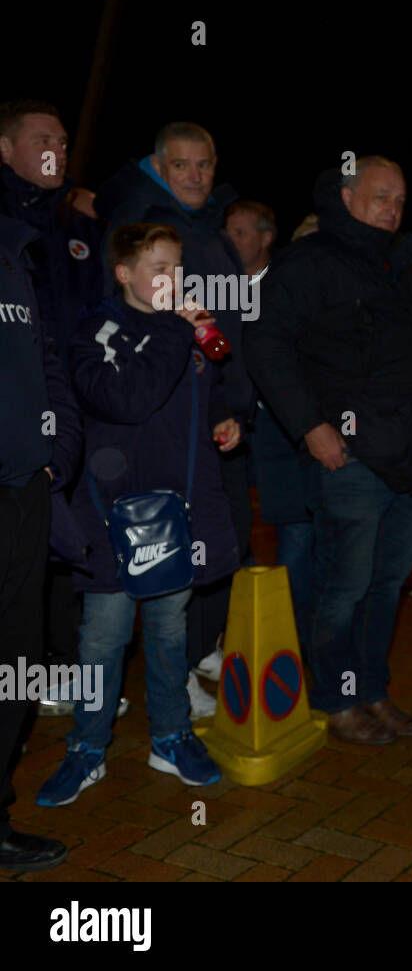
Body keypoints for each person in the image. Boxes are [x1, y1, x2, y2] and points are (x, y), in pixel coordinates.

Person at [244, 158, 412, 745]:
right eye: (379, 196)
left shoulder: (406, 270)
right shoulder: (309, 263)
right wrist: (310, 426)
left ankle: (372, 691)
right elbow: (264, 344)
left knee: (387, 586)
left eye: (399, 198)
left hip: (409, 462)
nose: (392, 207)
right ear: (344, 196)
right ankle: (337, 697)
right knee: (343, 587)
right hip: (351, 459)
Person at [36, 223, 238, 806]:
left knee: (171, 630)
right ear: (124, 273)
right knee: (103, 637)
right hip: (112, 519)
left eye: (177, 268)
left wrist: (225, 419)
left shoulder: (186, 333)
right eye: (157, 269)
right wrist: (178, 330)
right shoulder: (97, 332)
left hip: (179, 515)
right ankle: (87, 748)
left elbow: (203, 396)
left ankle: (170, 737)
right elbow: (128, 400)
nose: (172, 281)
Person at [96, 122, 251, 717]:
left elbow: (231, 327)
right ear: (158, 166)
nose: (195, 176)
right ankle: (173, 675)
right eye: (182, 165)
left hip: (219, 412)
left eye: (205, 165)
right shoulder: (142, 223)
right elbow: (122, 324)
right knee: (169, 556)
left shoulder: (215, 230)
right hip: (164, 426)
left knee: (223, 542)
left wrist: (238, 400)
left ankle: (196, 649)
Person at [0, 100, 127, 719]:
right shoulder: (8, 225)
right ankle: (38, 674)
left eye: (63, 138)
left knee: (63, 543)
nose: (57, 147)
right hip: (20, 431)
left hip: (71, 411)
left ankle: (59, 665)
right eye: (40, 137)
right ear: (4, 148)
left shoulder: (74, 226)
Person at [0, 213, 81, 870]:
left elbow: (46, 358)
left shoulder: (16, 252)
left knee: (16, 663)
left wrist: (54, 448)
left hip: (24, 489)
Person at [224, 200, 313, 645]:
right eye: (228, 231)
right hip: (230, 430)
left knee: (296, 528)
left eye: (241, 232)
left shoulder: (287, 286)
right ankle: (238, 629)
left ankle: (287, 636)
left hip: (281, 430)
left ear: (265, 238)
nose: (231, 240)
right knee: (231, 526)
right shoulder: (214, 286)